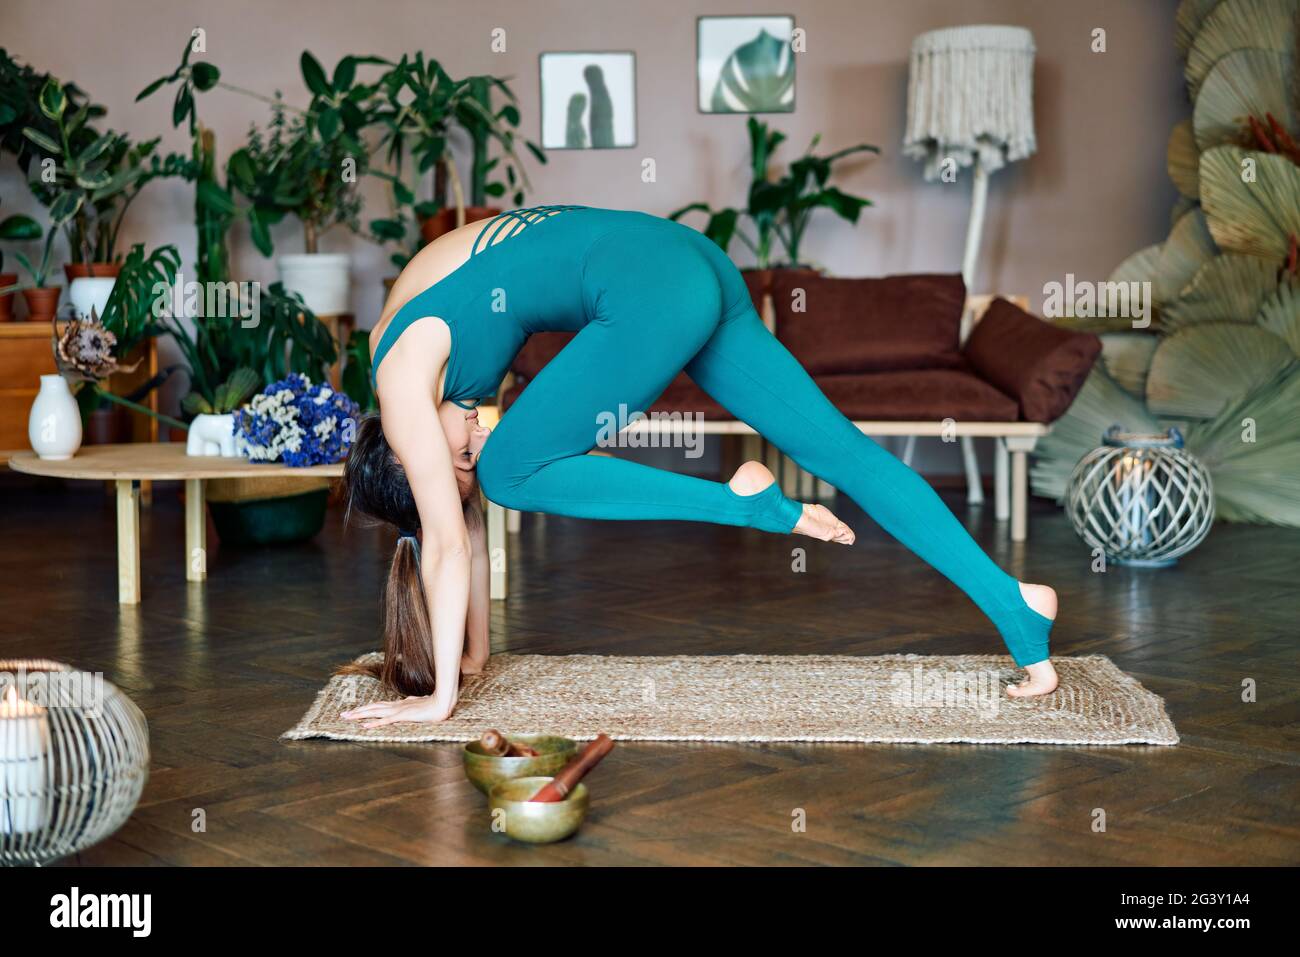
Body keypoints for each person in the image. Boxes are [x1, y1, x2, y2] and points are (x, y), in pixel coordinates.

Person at [340, 204, 1059, 729]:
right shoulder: (440, 380)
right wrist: (473, 657)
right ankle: (1017, 607)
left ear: (403, 452)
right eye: (467, 450)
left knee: (507, 473)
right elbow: (460, 532)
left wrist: (440, 703)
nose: (477, 433)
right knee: (842, 450)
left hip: (652, 285)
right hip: (693, 262)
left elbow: (444, 537)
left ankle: (743, 503)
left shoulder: (401, 383)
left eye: (459, 453)